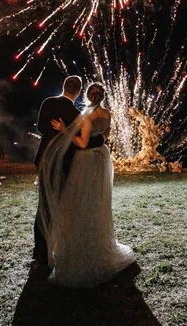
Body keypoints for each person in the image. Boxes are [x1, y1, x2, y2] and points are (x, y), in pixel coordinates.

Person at [37, 82, 135, 287]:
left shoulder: (85, 115)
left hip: (86, 160)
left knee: (78, 201)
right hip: (101, 158)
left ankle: (78, 246)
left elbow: (81, 143)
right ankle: (98, 243)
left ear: (89, 95)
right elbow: (106, 136)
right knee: (97, 201)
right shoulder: (107, 113)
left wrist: (64, 130)